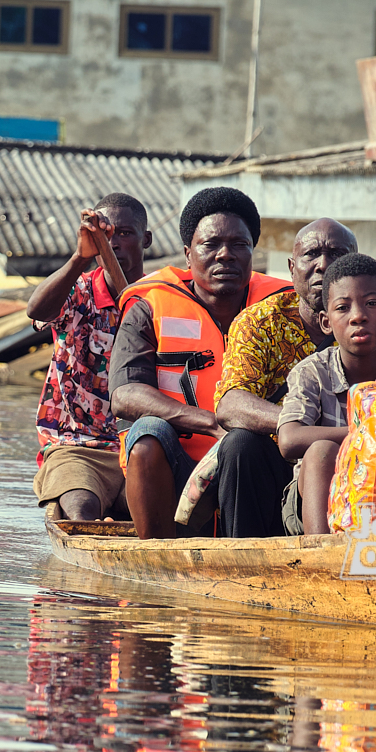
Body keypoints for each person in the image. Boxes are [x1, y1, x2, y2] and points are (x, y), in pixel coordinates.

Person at [111, 187, 291, 539]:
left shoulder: (280, 308)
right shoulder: (149, 306)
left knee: (244, 444)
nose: (226, 256)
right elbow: (125, 395)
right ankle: (155, 559)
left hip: (253, 464)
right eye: (211, 245)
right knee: (147, 433)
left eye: (240, 245)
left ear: (253, 253)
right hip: (178, 466)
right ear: (188, 254)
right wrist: (211, 423)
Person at [212, 218, 356, 537]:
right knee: (240, 444)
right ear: (292, 268)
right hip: (279, 467)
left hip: (364, 462)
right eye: (311, 254)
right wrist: (303, 427)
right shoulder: (259, 323)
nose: (323, 265)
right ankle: (244, 566)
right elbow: (230, 404)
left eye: (337, 254)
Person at [28, 193, 151, 521]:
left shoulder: (157, 299)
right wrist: (81, 258)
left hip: (136, 445)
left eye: (125, 234)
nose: (114, 245)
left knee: (150, 516)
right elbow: (36, 310)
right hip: (76, 446)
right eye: (107, 236)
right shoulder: (78, 290)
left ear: (146, 240)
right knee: (82, 510)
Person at [277, 253, 376, 534]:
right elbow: (289, 438)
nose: (358, 316)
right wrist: (367, 432)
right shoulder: (313, 372)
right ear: (326, 322)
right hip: (318, 503)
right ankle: (321, 559)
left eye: (371, 304)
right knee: (322, 451)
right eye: (343, 308)